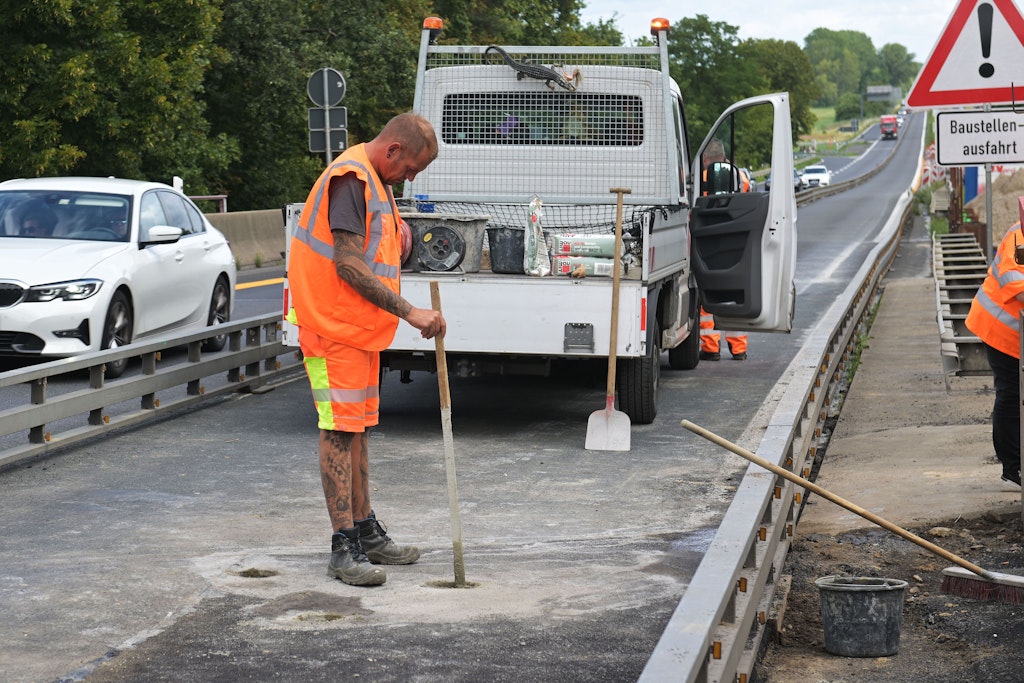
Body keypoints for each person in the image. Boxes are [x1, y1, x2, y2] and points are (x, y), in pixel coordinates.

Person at [286, 112, 446, 586]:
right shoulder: (352, 179)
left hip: (355, 332)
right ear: (393, 149)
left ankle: (366, 531)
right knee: (338, 431)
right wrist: (410, 312)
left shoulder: (377, 182)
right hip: (331, 328)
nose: (411, 178)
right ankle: (344, 547)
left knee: (356, 432)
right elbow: (349, 266)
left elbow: (381, 249)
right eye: (412, 168)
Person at [965, 222, 1024, 488]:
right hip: (999, 327)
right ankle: (1012, 471)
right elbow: (1015, 284)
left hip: (1014, 331)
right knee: (1011, 396)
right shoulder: (1019, 234)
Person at [698, 138, 749, 360]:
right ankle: (739, 349)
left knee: (708, 296)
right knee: (735, 295)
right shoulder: (740, 177)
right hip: (736, 241)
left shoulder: (702, 178)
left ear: (706, 159)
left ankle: (710, 348)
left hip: (707, 242)